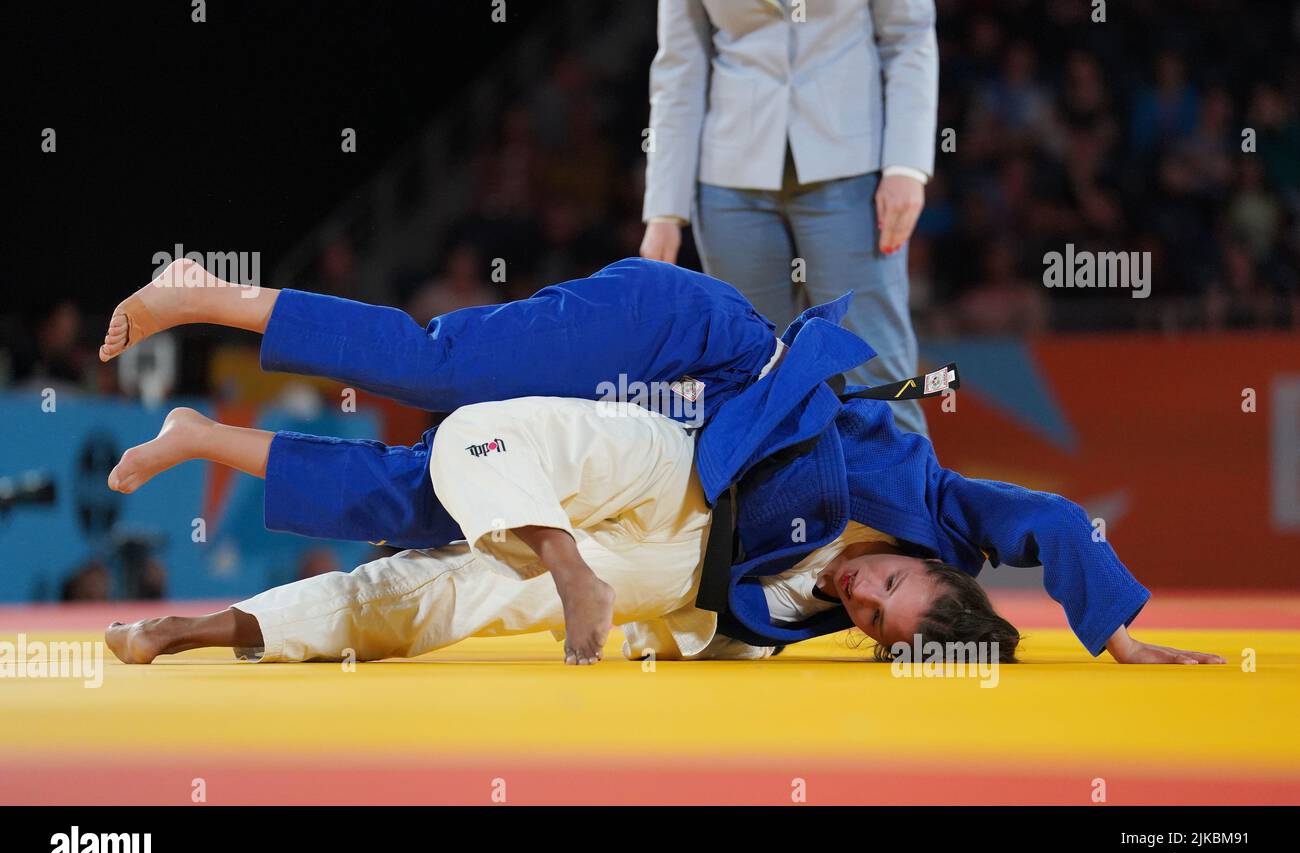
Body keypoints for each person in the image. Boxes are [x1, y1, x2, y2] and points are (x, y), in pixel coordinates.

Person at [99, 257, 1222, 665]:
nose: (863, 589)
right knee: (442, 369)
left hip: (654, 440)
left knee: (438, 497)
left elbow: (720, 604)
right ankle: (207, 292)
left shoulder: (812, 605)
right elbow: (1061, 523)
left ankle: (201, 434)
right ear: (943, 569)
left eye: (872, 618)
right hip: (686, 341)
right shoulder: (939, 503)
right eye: (893, 583)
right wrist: (1114, 628)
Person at [640, 0, 937, 436]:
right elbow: (680, 67)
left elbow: (909, 37)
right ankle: (772, 506)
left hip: (854, 169)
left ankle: (911, 502)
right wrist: (664, 211)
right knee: (750, 376)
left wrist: (906, 167)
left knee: (876, 370)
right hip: (729, 180)